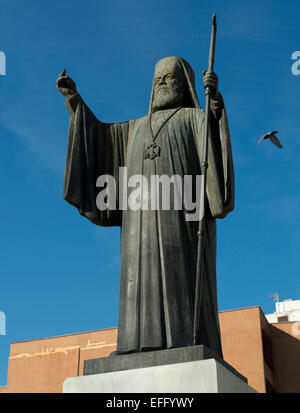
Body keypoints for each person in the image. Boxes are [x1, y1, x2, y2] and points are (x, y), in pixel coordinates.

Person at [56, 56, 234, 358]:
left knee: (183, 282)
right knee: (136, 283)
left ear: (185, 85)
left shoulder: (194, 117)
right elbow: (100, 139)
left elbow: (214, 142)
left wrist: (214, 103)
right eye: (158, 79)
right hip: (138, 227)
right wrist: (75, 102)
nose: (162, 83)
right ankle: (133, 344)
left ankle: (184, 342)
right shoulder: (133, 129)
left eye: (169, 78)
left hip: (182, 218)